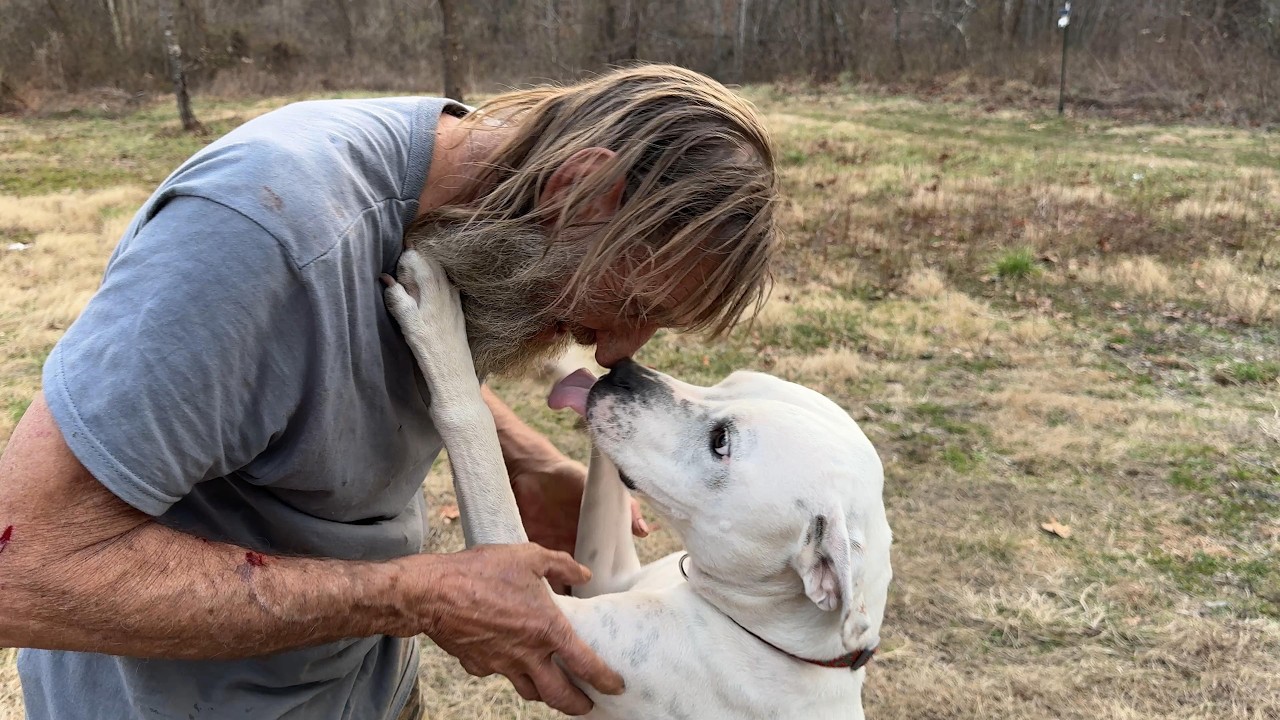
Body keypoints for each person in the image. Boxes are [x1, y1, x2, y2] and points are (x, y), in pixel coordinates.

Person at [0, 63, 777, 719]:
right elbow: (20, 571)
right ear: (581, 188)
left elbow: (330, 360)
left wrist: (525, 460)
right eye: (635, 305)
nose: (615, 350)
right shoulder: (257, 238)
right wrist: (415, 597)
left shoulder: (483, 201)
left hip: (358, 686)